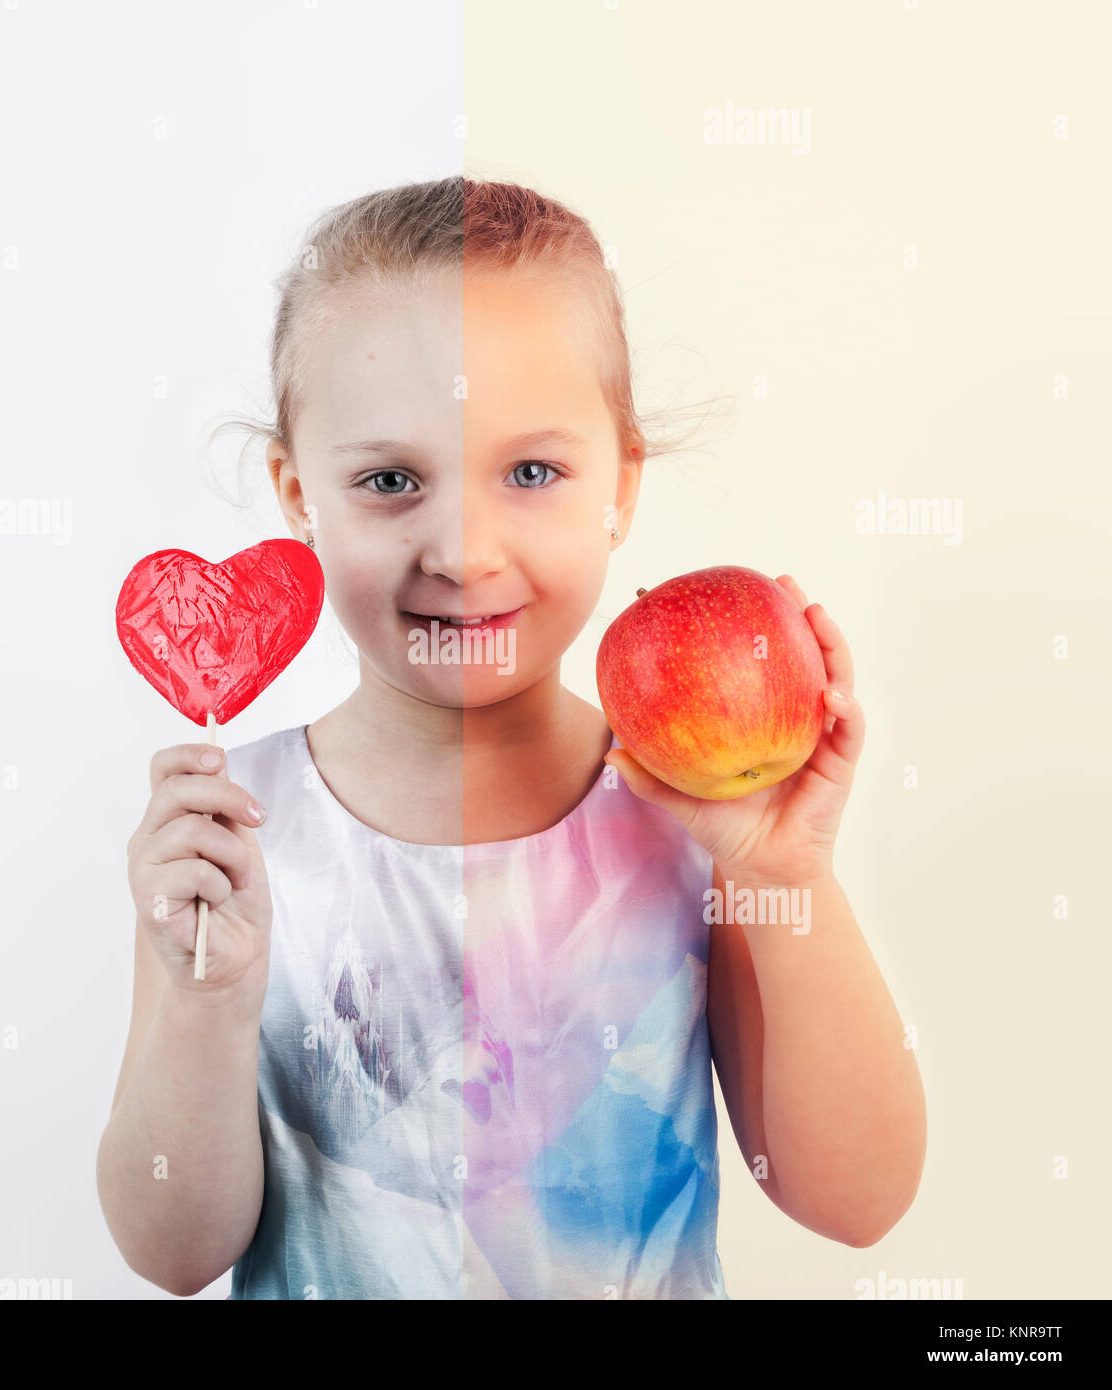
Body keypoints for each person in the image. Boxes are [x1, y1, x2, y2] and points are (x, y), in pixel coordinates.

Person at [96, 176, 926, 1299]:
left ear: (620, 485)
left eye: (531, 472)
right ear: (300, 496)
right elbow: (175, 1252)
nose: (463, 549)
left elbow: (857, 1199)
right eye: (389, 480)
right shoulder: (234, 832)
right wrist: (204, 999)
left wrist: (782, 874)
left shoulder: (697, 818)